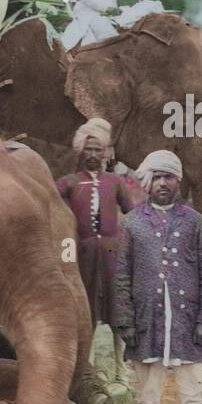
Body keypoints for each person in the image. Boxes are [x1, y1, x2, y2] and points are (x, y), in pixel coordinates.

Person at [112, 150, 202, 404]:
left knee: (191, 393)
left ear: (178, 180)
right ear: (147, 182)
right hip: (147, 324)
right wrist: (126, 321)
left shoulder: (193, 221)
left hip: (188, 324)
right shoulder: (131, 223)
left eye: (168, 177)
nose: (162, 183)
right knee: (148, 397)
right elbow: (121, 276)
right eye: (156, 177)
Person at [56, 119, 139, 378]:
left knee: (117, 308)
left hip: (113, 255)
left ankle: (120, 366)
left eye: (98, 149)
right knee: (86, 309)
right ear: (80, 150)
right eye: (88, 149)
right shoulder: (69, 182)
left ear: (106, 152)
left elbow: (133, 214)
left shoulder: (115, 182)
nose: (93, 155)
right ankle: (85, 367)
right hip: (82, 256)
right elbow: (49, 204)